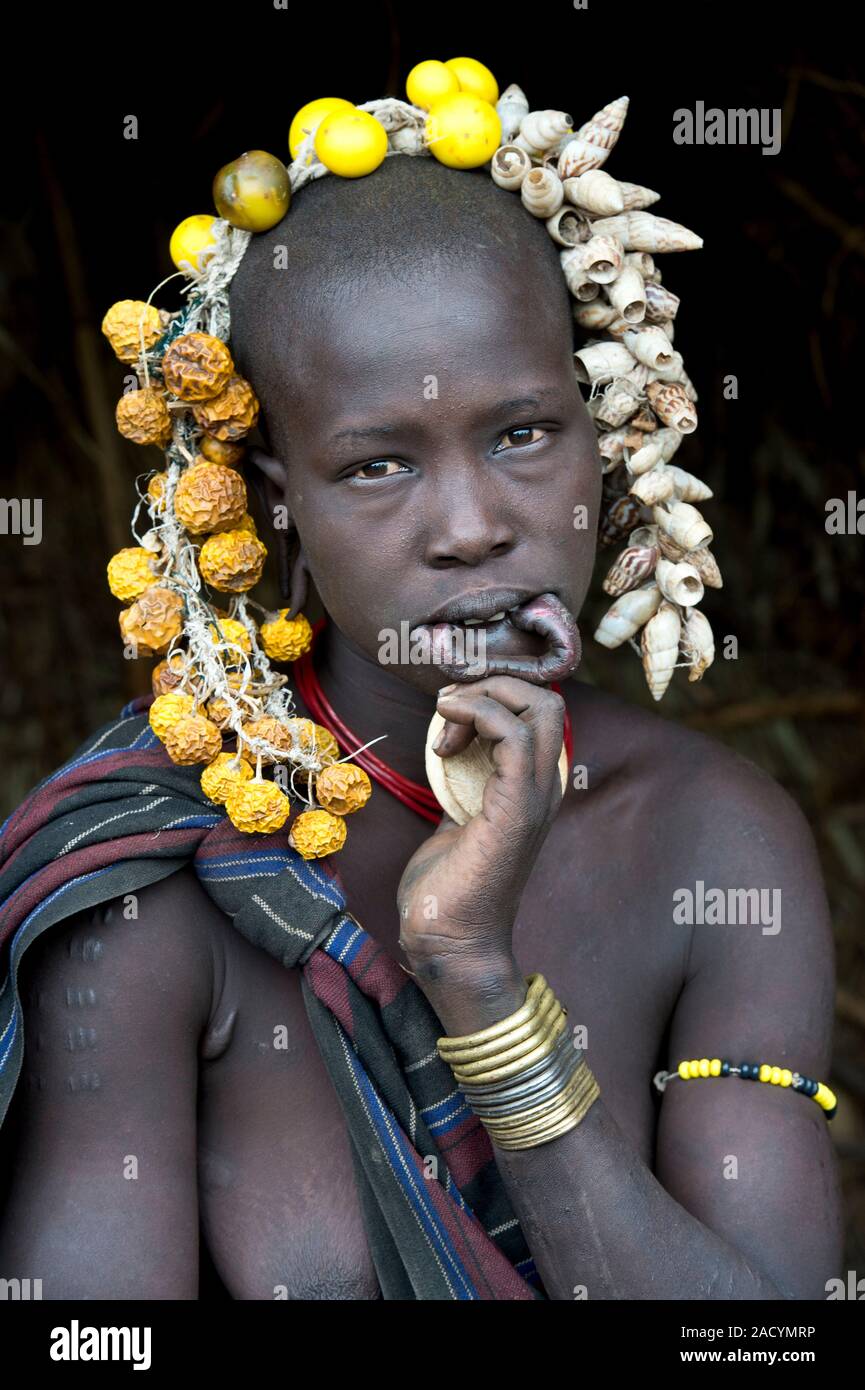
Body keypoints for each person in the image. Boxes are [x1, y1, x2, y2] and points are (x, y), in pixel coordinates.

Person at [0, 117, 843, 1302]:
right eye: (378, 466)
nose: (470, 527)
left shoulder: (714, 837)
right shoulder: (154, 881)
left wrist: (474, 978)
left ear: (609, 440)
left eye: (522, 433)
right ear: (277, 510)